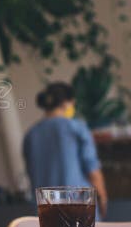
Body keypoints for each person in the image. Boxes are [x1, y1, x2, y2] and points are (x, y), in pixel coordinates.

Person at [23, 82, 108, 218]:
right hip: (78, 208)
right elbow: (92, 169)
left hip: (45, 212)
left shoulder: (31, 135)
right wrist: (102, 198)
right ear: (66, 103)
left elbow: (31, 173)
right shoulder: (76, 128)